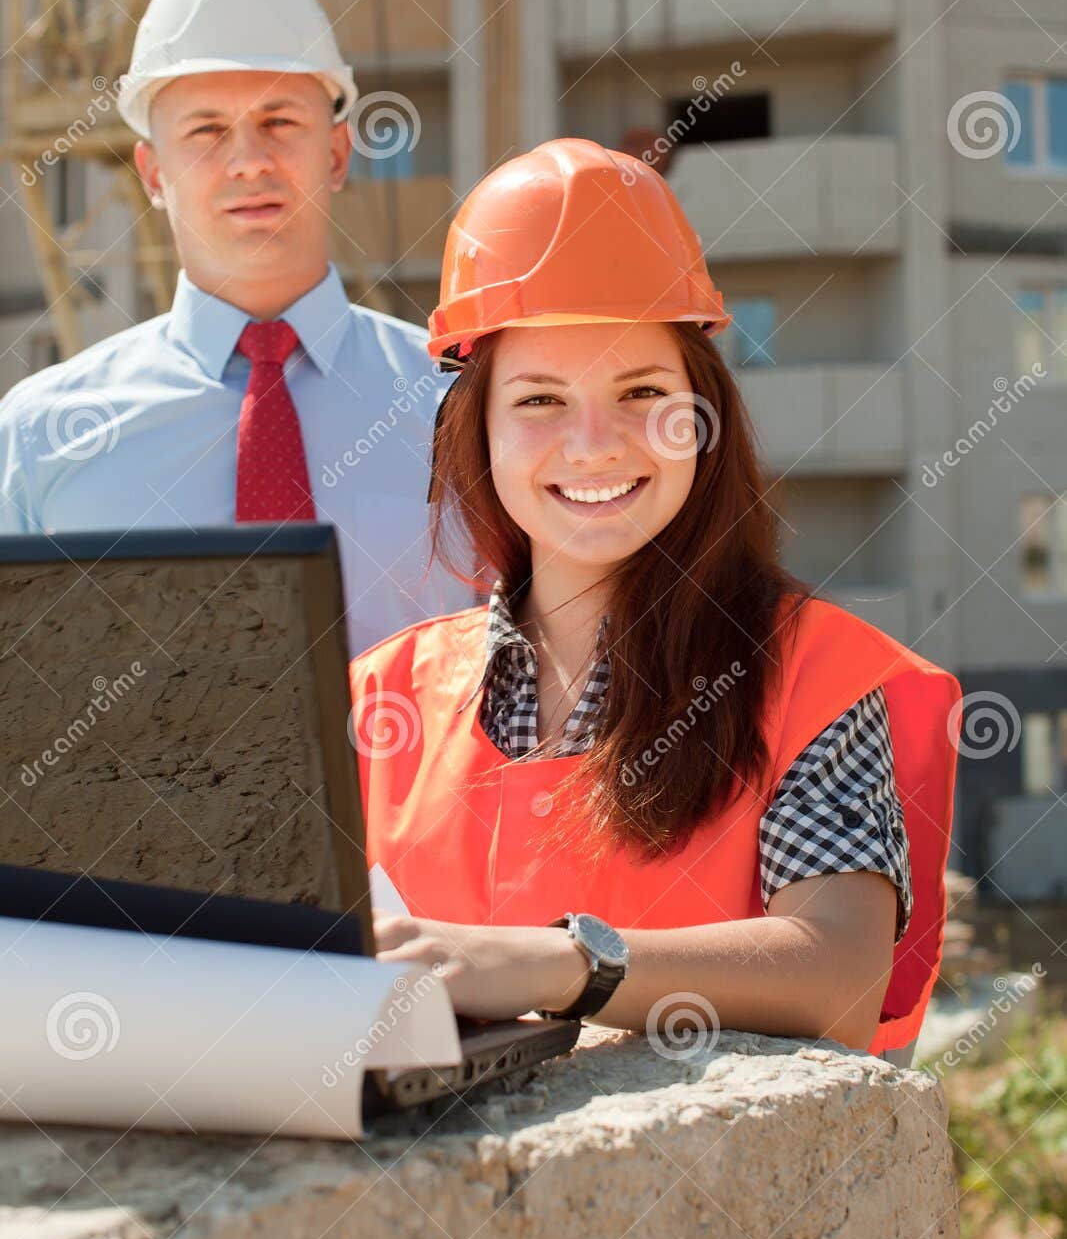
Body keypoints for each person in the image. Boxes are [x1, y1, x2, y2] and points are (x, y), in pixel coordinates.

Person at [349, 138, 962, 1062]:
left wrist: (564, 965)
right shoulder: (377, 699)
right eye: (540, 400)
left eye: (639, 391)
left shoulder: (817, 681)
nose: (593, 445)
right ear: (472, 430)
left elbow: (838, 974)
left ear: (702, 418)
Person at [0, 0, 467, 654]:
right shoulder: (38, 437)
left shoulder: (460, 413)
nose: (248, 159)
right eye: (207, 130)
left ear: (337, 154)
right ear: (153, 173)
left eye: (279, 121)